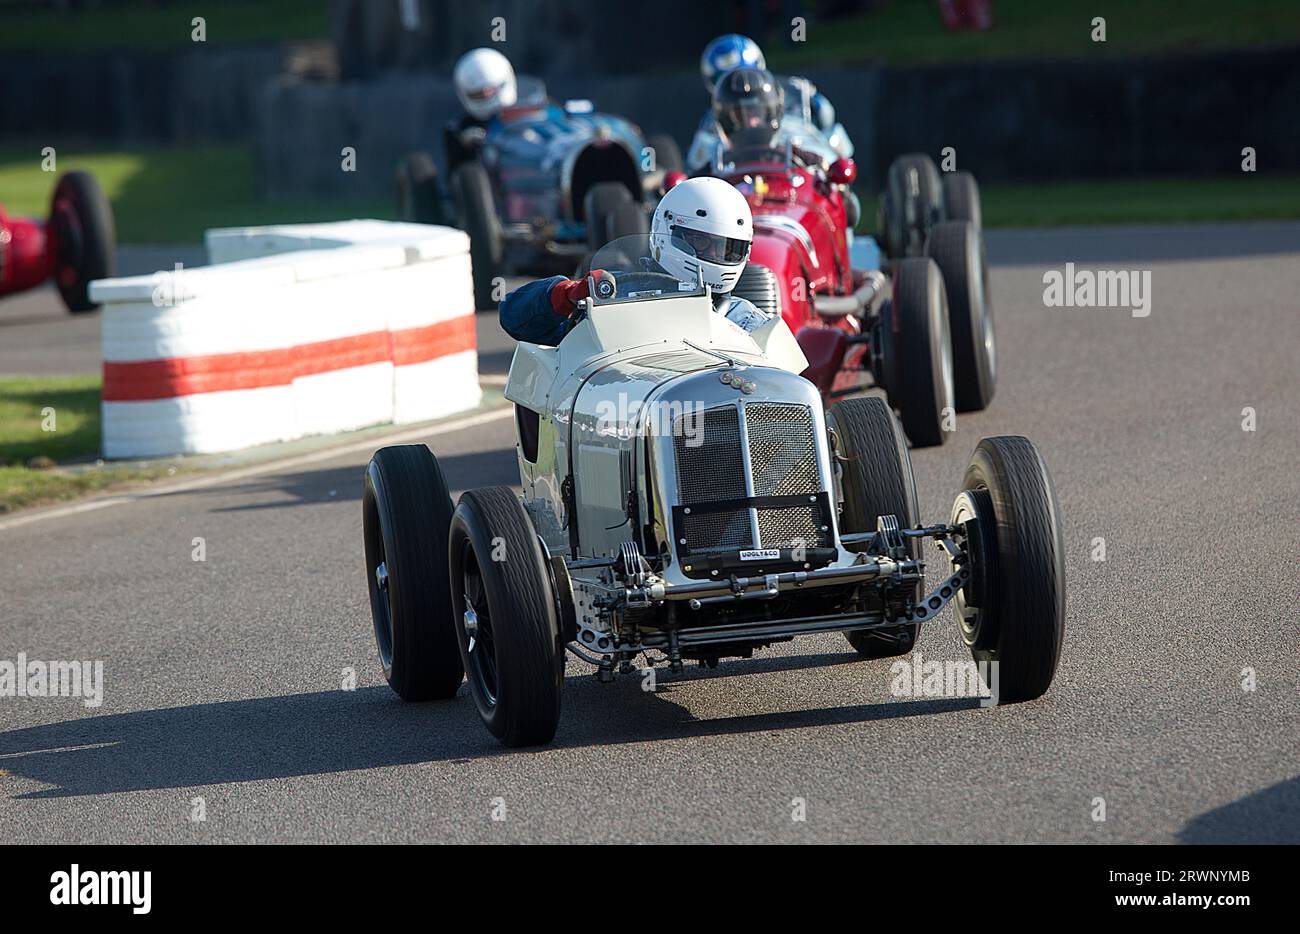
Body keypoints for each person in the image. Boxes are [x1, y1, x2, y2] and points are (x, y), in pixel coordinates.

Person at [499, 177, 768, 346]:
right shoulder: (620, 296)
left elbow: (787, 387)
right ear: (667, 230)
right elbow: (513, 318)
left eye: (727, 249)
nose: (713, 256)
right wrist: (565, 295)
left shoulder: (747, 322)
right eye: (699, 242)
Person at [685, 34, 854, 174]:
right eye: (737, 112)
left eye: (757, 110)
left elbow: (828, 123)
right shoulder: (712, 134)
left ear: (776, 108)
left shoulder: (800, 93)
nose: (750, 120)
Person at [444, 47, 518, 171]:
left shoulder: (534, 110)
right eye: (479, 94)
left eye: (491, 91)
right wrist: (467, 143)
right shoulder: (459, 129)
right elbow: (459, 174)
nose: (487, 96)